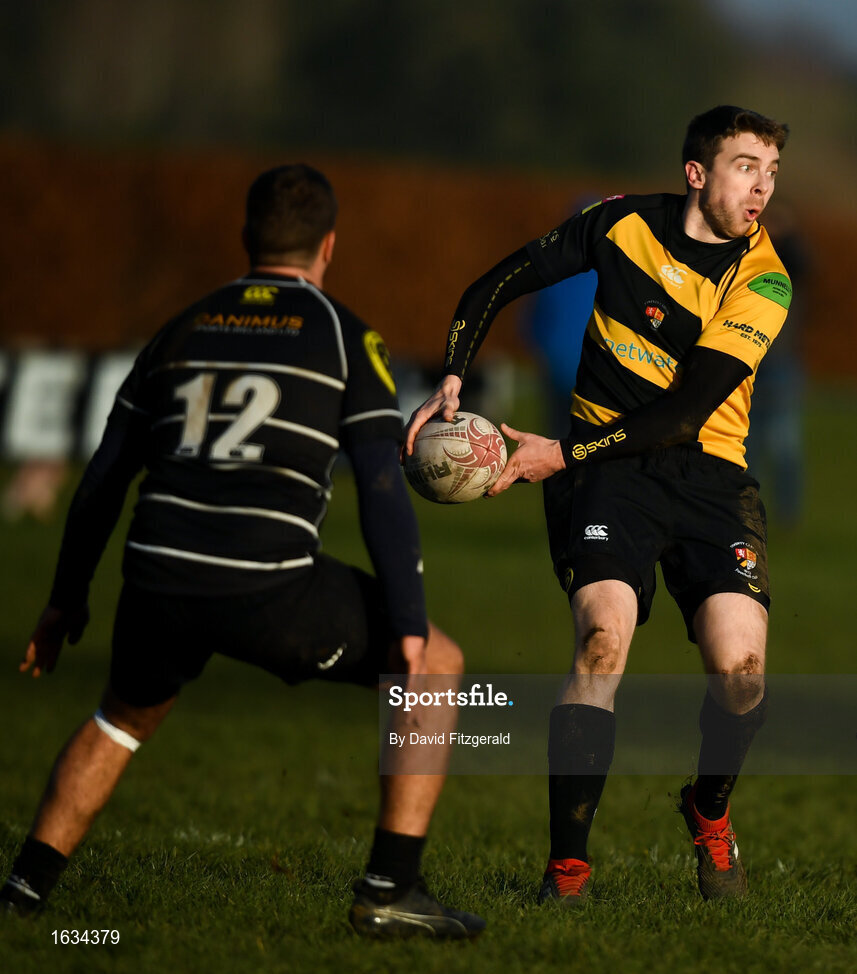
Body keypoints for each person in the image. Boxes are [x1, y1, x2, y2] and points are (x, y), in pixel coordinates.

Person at [0, 164, 485, 940]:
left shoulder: (183, 326)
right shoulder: (341, 334)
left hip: (155, 579)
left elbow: (101, 479)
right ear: (328, 245)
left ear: (245, 239)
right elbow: (380, 490)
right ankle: (391, 889)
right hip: (267, 589)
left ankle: (23, 895)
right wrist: (409, 622)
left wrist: (65, 599)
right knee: (438, 668)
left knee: (121, 718)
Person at [406, 106, 791, 905]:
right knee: (600, 645)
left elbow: (682, 417)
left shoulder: (764, 278)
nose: (762, 187)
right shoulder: (616, 225)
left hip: (708, 478)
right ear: (697, 173)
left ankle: (707, 814)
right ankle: (568, 872)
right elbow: (498, 281)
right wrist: (452, 374)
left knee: (742, 676)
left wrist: (559, 453)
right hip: (610, 477)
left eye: (771, 171)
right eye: (746, 166)